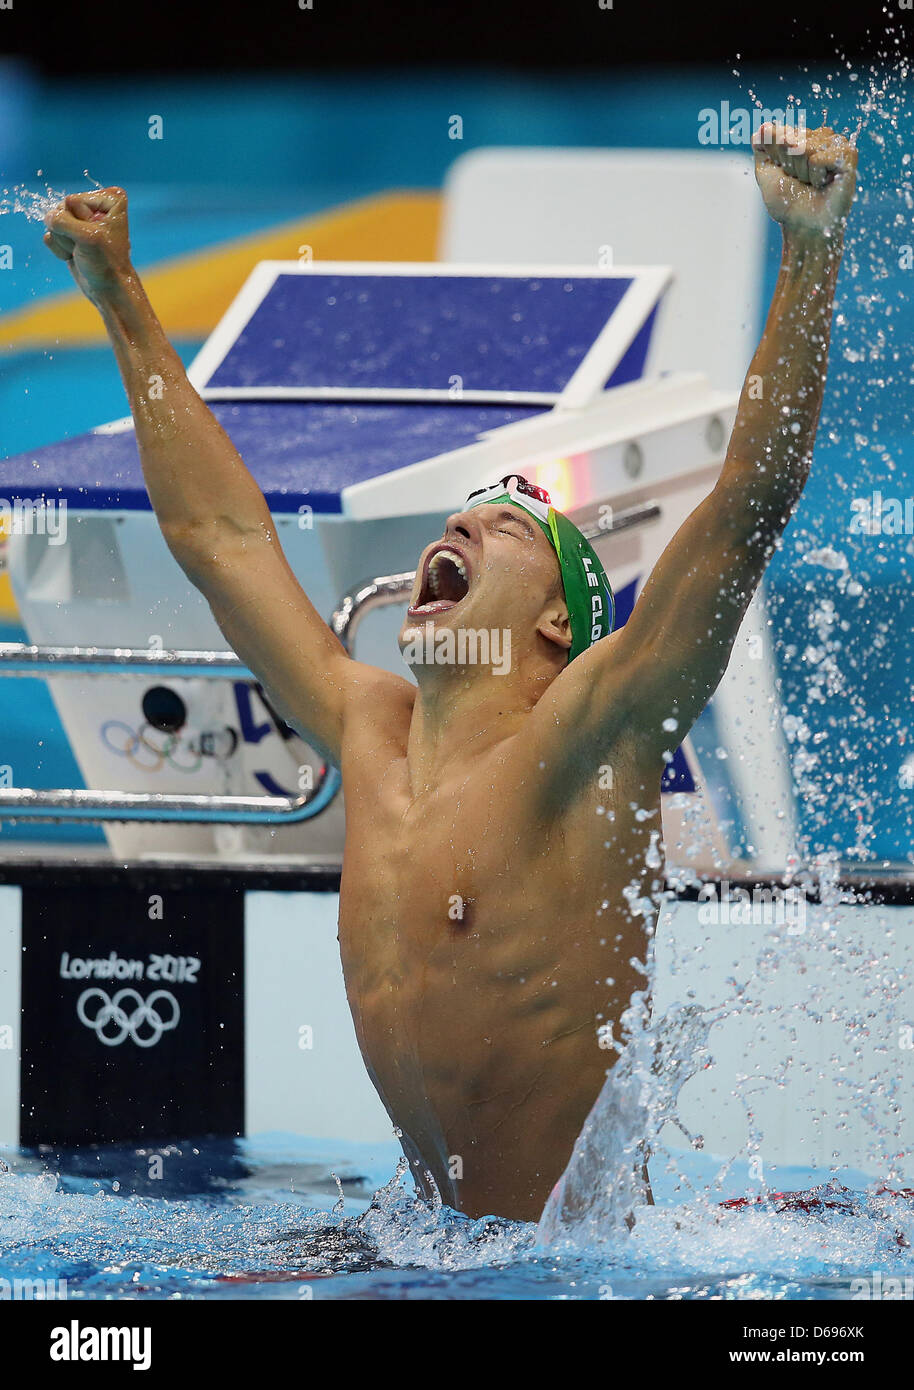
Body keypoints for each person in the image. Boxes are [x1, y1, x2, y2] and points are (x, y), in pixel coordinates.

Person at [44, 123, 857, 1222]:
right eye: (453, 522)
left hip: (573, 1274)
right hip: (428, 1246)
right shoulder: (367, 727)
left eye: (499, 529)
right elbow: (220, 540)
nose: (456, 531)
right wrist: (120, 296)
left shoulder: (587, 739)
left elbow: (749, 503)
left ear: (561, 627)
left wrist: (808, 253)